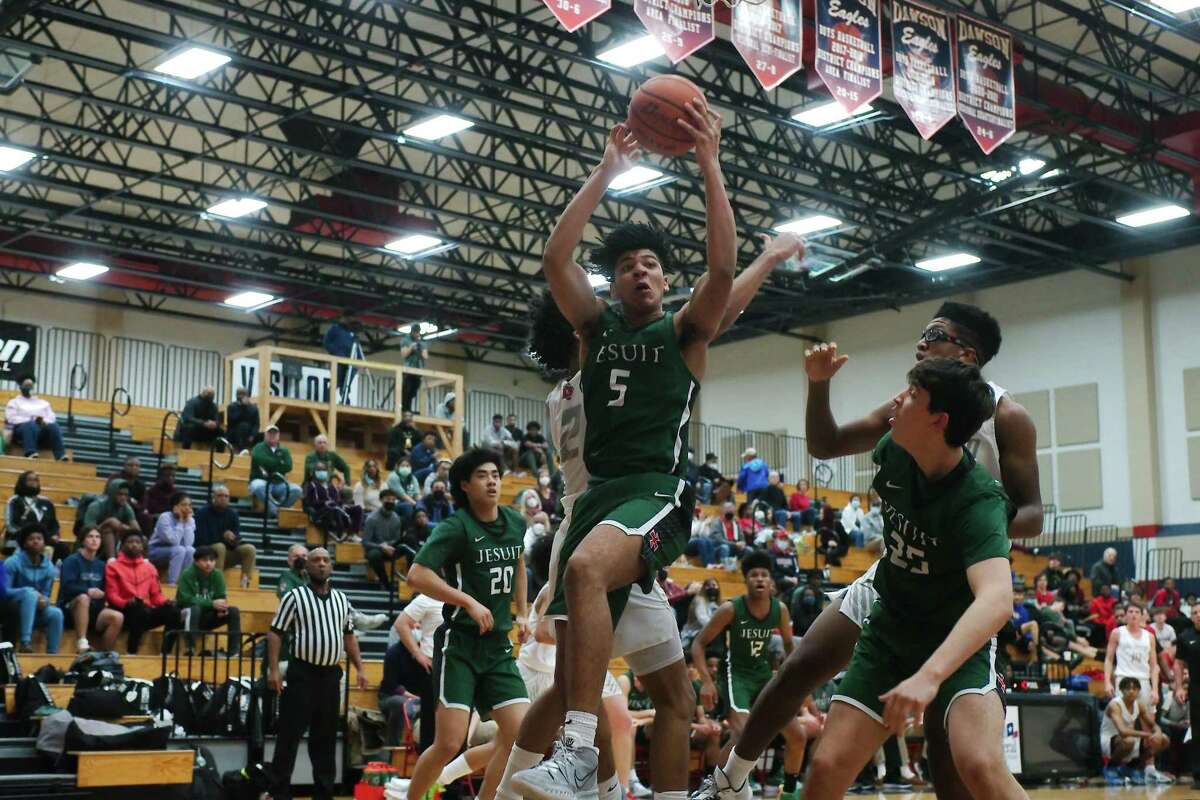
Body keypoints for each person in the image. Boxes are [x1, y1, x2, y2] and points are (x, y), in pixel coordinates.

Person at [694, 303, 1042, 800]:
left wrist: (968, 526)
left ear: (967, 354)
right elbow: (828, 442)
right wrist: (818, 385)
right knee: (803, 670)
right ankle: (728, 781)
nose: (921, 343)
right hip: (897, 578)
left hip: (958, 583)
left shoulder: (1006, 423)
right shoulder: (904, 421)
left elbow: (1032, 515)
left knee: (960, 766)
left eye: (934, 336)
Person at [511, 111, 737, 800]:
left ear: (668, 282)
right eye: (627, 266)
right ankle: (634, 785)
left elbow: (723, 266)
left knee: (581, 568)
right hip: (601, 501)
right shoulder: (593, 327)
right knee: (653, 683)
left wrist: (708, 164)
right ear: (611, 284)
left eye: (652, 265)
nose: (640, 271)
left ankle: (580, 752)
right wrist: (606, 171)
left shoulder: (687, 331)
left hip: (657, 494)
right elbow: (555, 259)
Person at [756, 358, 1018, 800]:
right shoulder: (892, 452)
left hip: (955, 642)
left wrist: (930, 676)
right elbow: (827, 440)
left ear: (939, 420)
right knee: (826, 768)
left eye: (912, 394)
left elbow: (996, 600)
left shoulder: (978, 500)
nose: (898, 399)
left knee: (979, 763)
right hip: (891, 633)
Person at [404, 448, 530, 800]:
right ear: (465, 485)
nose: (491, 481)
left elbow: (519, 563)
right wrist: (467, 601)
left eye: (495, 474)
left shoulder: (515, 522)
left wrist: (522, 612)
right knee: (448, 742)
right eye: (482, 475)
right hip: (459, 644)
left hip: (497, 647)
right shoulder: (455, 527)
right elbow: (416, 574)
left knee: (521, 734)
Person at [692, 551, 808, 795]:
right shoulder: (731, 609)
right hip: (736, 676)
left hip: (763, 675)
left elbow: (789, 646)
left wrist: (791, 675)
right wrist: (705, 681)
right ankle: (713, 786)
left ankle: (788, 791)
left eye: (764, 575)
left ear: (771, 583)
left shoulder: (781, 610)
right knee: (744, 735)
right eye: (754, 575)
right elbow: (699, 644)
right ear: (746, 581)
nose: (759, 579)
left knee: (797, 736)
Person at [267, 547, 370, 800]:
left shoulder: (341, 599)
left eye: (326, 560)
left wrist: (360, 667)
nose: (322, 564)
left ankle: (323, 795)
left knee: (324, 741)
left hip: (331, 677)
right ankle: (279, 793)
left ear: (331, 566)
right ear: (307, 567)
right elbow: (275, 633)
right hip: (302, 674)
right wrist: (273, 671)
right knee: (289, 737)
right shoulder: (294, 596)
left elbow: (348, 636)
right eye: (316, 560)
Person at [105, 530, 182, 653]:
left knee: (174, 612)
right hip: (125, 610)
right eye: (130, 542)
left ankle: (165, 653)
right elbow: (111, 595)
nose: (134, 545)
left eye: (137, 542)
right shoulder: (113, 566)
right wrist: (126, 602)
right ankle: (132, 652)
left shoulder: (149, 567)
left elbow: (156, 595)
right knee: (139, 609)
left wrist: (166, 602)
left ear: (142, 546)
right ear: (122, 545)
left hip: (145, 610)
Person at [385, 591, 444, 748]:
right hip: (396, 695)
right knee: (405, 707)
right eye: (415, 624)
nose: (417, 627)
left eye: (420, 624)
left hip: (444, 672)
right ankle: (394, 748)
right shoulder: (395, 653)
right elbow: (390, 686)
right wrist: (418, 654)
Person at [58, 527, 124, 652]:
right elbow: (67, 587)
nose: (94, 540)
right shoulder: (71, 561)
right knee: (84, 598)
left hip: (94, 610)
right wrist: (87, 591)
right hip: (70, 608)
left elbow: (106, 590)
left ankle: (104, 654)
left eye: (97, 537)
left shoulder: (101, 565)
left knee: (117, 617)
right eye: (90, 536)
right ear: (83, 541)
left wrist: (104, 594)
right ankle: (82, 642)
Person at [1101, 676, 1172, 785]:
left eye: (1134, 689)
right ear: (1121, 690)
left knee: (1164, 739)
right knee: (1129, 741)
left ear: (1139, 691)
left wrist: (1157, 733)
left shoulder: (1139, 705)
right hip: (1110, 742)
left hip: (1130, 740)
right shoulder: (1114, 705)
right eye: (1128, 688)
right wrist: (1147, 735)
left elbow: (1154, 725)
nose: (1131, 691)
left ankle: (1132, 767)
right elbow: (1123, 731)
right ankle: (1111, 768)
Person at [2, 525, 63, 653]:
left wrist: (44, 601)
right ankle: (25, 642)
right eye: (31, 539)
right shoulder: (12, 562)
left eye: (39, 538)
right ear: (24, 544)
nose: (36, 541)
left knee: (56, 613)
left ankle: (52, 655)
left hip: (35, 611)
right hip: (11, 610)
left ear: (44, 542)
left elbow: (46, 594)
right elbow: (4, 591)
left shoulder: (49, 568)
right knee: (30, 594)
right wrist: (28, 592)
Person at [178, 545, 242, 655]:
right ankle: (190, 648)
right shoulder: (187, 574)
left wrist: (222, 609)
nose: (209, 564)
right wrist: (211, 604)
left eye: (212, 560)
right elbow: (185, 599)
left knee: (233, 611)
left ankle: (234, 651)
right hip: (185, 615)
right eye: (204, 560)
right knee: (194, 609)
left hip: (208, 615)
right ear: (196, 561)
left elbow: (221, 597)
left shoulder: (218, 575)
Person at [193, 484, 257, 588]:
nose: (223, 498)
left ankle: (245, 583)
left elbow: (235, 540)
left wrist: (233, 540)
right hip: (206, 553)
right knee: (220, 546)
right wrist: (223, 538)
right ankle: (216, 584)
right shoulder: (202, 513)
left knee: (250, 549)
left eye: (226, 496)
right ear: (213, 497)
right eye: (220, 495)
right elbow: (200, 539)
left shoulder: (232, 514)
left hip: (226, 553)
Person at [1105, 601, 1159, 712]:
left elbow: (1154, 665)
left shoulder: (1150, 636)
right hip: (1123, 679)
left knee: (1148, 724)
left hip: (1143, 680)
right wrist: (1107, 682)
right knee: (1124, 723)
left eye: (1137, 612)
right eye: (1130, 611)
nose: (1133, 614)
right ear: (1125, 615)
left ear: (1142, 615)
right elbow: (1109, 660)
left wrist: (1155, 689)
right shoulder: (1117, 633)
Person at [6, 470, 66, 561]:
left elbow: (54, 524)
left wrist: (54, 535)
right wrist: (29, 536)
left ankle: (53, 573)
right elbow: (11, 526)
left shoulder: (47, 502)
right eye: (30, 480)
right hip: (20, 539)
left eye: (36, 480)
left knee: (63, 548)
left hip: (44, 540)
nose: (34, 482)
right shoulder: (15, 500)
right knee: (32, 546)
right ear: (22, 482)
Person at [4, 374, 66, 460]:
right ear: (21, 387)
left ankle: (60, 455)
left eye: (30, 385)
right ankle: (30, 453)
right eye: (26, 385)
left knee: (53, 426)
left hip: (41, 431)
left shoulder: (43, 403)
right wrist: (32, 420)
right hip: (22, 432)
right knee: (30, 425)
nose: (29, 387)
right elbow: (11, 418)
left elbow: (52, 418)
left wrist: (43, 420)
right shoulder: (14, 402)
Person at [304, 461, 362, 543]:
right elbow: (311, 502)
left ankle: (353, 534)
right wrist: (325, 502)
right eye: (319, 469)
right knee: (335, 509)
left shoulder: (331, 486)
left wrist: (342, 504)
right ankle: (340, 534)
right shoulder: (312, 485)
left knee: (357, 509)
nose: (322, 472)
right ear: (314, 472)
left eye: (323, 469)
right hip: (321, 511)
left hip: (335, 507)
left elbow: (337, 499)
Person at [249, 426, 302, 511]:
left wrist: (269, 464)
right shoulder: (258, 447)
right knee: (258, 487)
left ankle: (280, 510)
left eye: (275, 433)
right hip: (261, 480)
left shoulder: (284, 450)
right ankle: (274, 511)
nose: (272, 435)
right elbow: (258, 459)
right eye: (270, 433)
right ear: (265, 435)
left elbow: (288, 466)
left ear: (278, 435)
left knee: (297, 490)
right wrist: (278, 462)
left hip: (279, 483)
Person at [83, 479, 139, 559]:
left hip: (116, 539)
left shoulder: (126, 507)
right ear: (112, 493)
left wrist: (122, 527)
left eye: (126, 495)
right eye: (120, 494)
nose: (123, 497)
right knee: (108, 529)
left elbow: (137, 531)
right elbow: (87, 531)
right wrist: (107, 522)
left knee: (142, 539)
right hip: (92, 540)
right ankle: (111, 561)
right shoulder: (96, 506)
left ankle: (142, 564)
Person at [363, 489, 406, 590]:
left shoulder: (396, 518)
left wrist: (390, 546)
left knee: (408, 546)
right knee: (374, 555)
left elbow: (397, 539)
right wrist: (382, 546)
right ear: (381, 500)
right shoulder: (371, 518)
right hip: (376, 550)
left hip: (391, 548)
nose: (391, 501)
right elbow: (365, 542)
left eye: (393, 499)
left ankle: (410, 583)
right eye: (388, 499)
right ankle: (385, 583)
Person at [149, 491, 195, 584]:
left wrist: (187, 522)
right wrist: (180, 521)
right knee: (180, 550)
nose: (187, 508)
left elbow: (188, 543)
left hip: (176, 551)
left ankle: (184, 583)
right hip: (155, 550)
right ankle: (172, 584)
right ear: (175, 507)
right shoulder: (165, 517)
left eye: (189, 505)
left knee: (191, 550)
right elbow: (174, 541)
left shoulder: (190, 520)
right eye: (183, 505)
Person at [399, 324, 428, 414]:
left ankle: (408, 409)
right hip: (408, 369)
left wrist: (419, 349)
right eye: (415, 332)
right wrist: (411, 348)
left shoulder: (422, 343)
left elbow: (425, 356)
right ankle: (404, 409)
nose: (417, 334)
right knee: (406, 390)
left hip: (418, 370)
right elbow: (404, 354)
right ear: (412, 332)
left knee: (413, 391)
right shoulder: (405, 340)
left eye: (418, 332)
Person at [226, 387, 261, 452]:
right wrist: (242, 407)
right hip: (234, 432)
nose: (240, 397)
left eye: (243, 395)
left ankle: (259, 454)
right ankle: (242, 450)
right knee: (243, 426)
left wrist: (252, 435)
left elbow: (256, 424)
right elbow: (233, 419)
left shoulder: (253, 408)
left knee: (263, 435)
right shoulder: (231, 406)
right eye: (239, 395)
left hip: (249, 433)